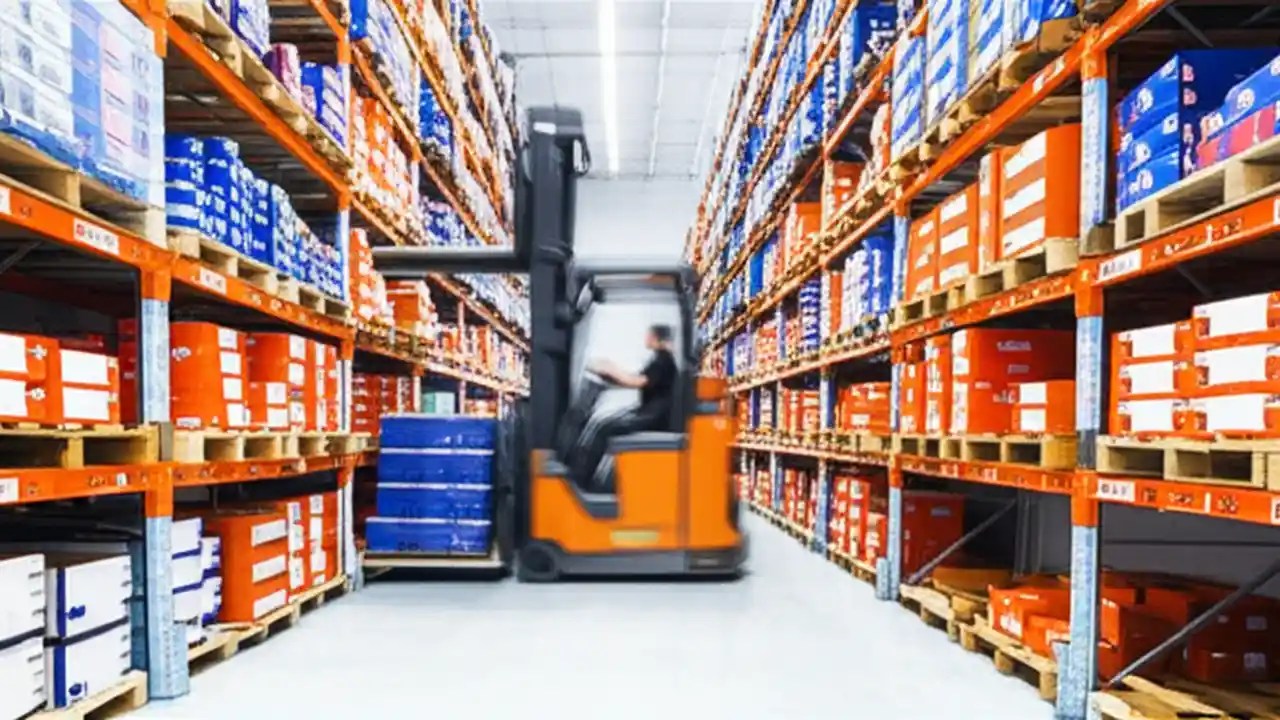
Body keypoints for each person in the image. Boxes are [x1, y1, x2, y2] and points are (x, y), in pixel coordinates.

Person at [574, 324, 679, 488]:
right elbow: (638, 379)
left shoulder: (663, 360)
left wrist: (610, 370)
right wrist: (611, 377)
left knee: (603, 428)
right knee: (601, 422)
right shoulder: (660, 359)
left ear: (656, 338)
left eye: (649, 335)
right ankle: (587, 481)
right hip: (649, 413)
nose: (646, 338)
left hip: (653, 418)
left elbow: (637, 381)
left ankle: (581, 483)